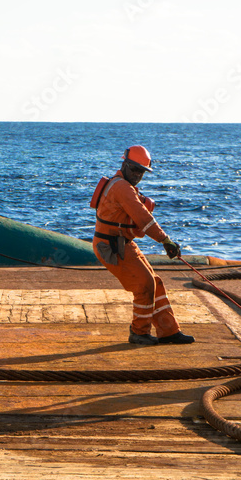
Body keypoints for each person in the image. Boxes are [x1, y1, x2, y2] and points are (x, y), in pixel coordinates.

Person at [91, 146, 194, 346]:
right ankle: (139, 333)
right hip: (110, 246)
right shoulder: (121, 188)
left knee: (155, 282)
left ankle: (169, 331)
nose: (138, 175)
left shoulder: (123, 186)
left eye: (141, 172)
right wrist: (165, 240)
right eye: (134, 169)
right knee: (144, 285)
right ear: (124, 165)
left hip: (122, 243)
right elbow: (144, 219)